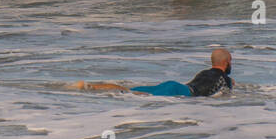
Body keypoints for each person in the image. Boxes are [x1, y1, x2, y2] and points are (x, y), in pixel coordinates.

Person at [74, 48, 233, 98]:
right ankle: (89, 87)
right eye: (230, 61)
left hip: (173, 86)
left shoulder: (203, 72)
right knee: (132, 94)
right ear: (226, 63)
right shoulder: (224, 78)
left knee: (128, 91)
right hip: (178, 90)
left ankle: (90, 86)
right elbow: (225, 96)